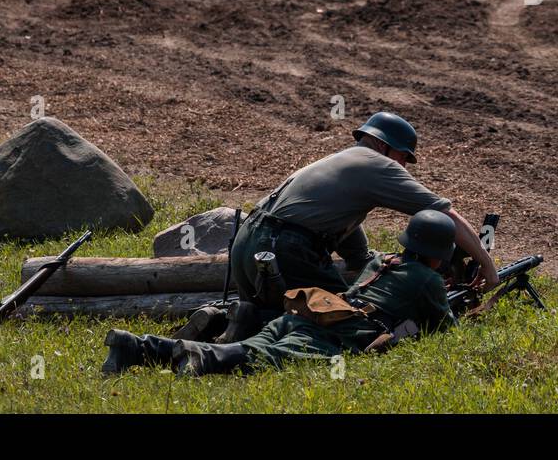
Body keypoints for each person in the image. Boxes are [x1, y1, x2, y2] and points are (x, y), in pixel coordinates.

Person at [103, 210, 460, 377]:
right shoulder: (427, 281)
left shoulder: (383, 261)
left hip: (308, 312)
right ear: (437, 255)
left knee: (253, 348)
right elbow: (445, 326)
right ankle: (200, 360)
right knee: (265, 359)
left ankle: (137, 346)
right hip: (336, 331)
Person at [230, 112, 496, 306]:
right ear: (383, 145)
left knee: (273, 313)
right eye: (403, 157)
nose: (403, 167)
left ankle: (242, 323)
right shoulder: (377, 164)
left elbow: (352, 247)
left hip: (247, 242)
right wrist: (486, 263)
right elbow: (444, 213)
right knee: (347, 316)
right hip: (284, 246)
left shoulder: (341, 161)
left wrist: (375, 263)